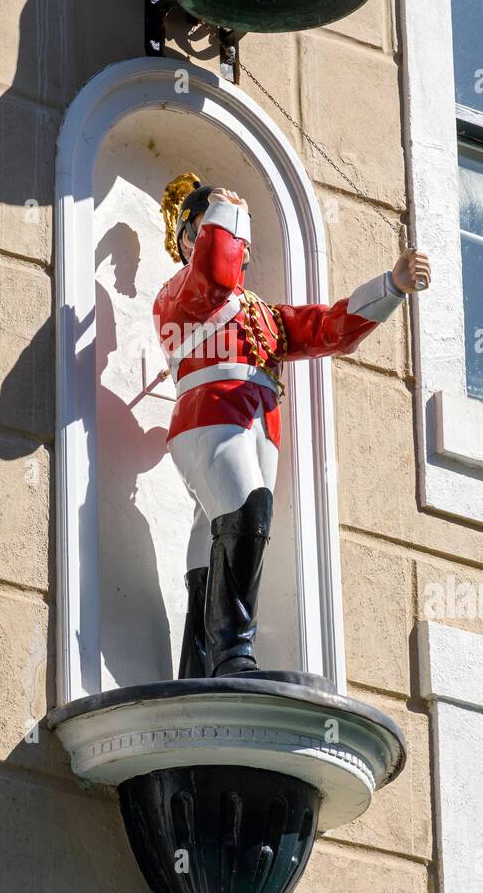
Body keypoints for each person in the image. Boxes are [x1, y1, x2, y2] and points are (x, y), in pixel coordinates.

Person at [153, 172, 431, 678]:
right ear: (190, 237)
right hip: (210, 411)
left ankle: (196, 664)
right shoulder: (178, 293)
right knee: (247, 509)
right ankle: (234, 653)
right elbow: (214, 274)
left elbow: (329, 329)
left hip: (257, 420)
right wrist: (223, 210)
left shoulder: (262, 313)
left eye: (242, 236)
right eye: (219, 229)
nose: (237, 244)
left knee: (215, 538)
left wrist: (391, 287)